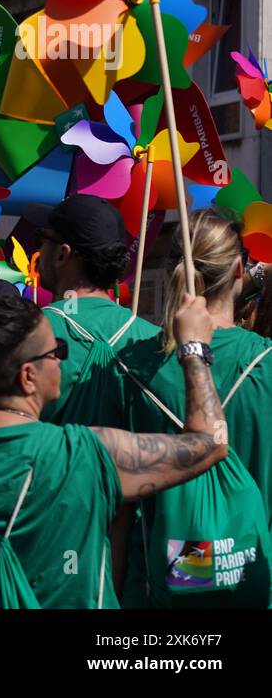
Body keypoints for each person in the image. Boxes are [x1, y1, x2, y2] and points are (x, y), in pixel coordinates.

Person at [0, 291, 226, 608]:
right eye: (56, 351)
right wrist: (194, 348)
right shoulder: (86, 454)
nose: (62, 358)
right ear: (28, 376)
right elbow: (210, 443)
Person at [125, 211, 272, 606]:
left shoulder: (128, 366)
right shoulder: (267, 362)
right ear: (240, 269)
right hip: (252, 573)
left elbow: (113, 500)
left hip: (154, 588)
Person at [25, 195, 160, 428]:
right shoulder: (155, 339)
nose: (38, 248)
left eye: (42, 239)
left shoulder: (31, 330)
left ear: (62, 254)